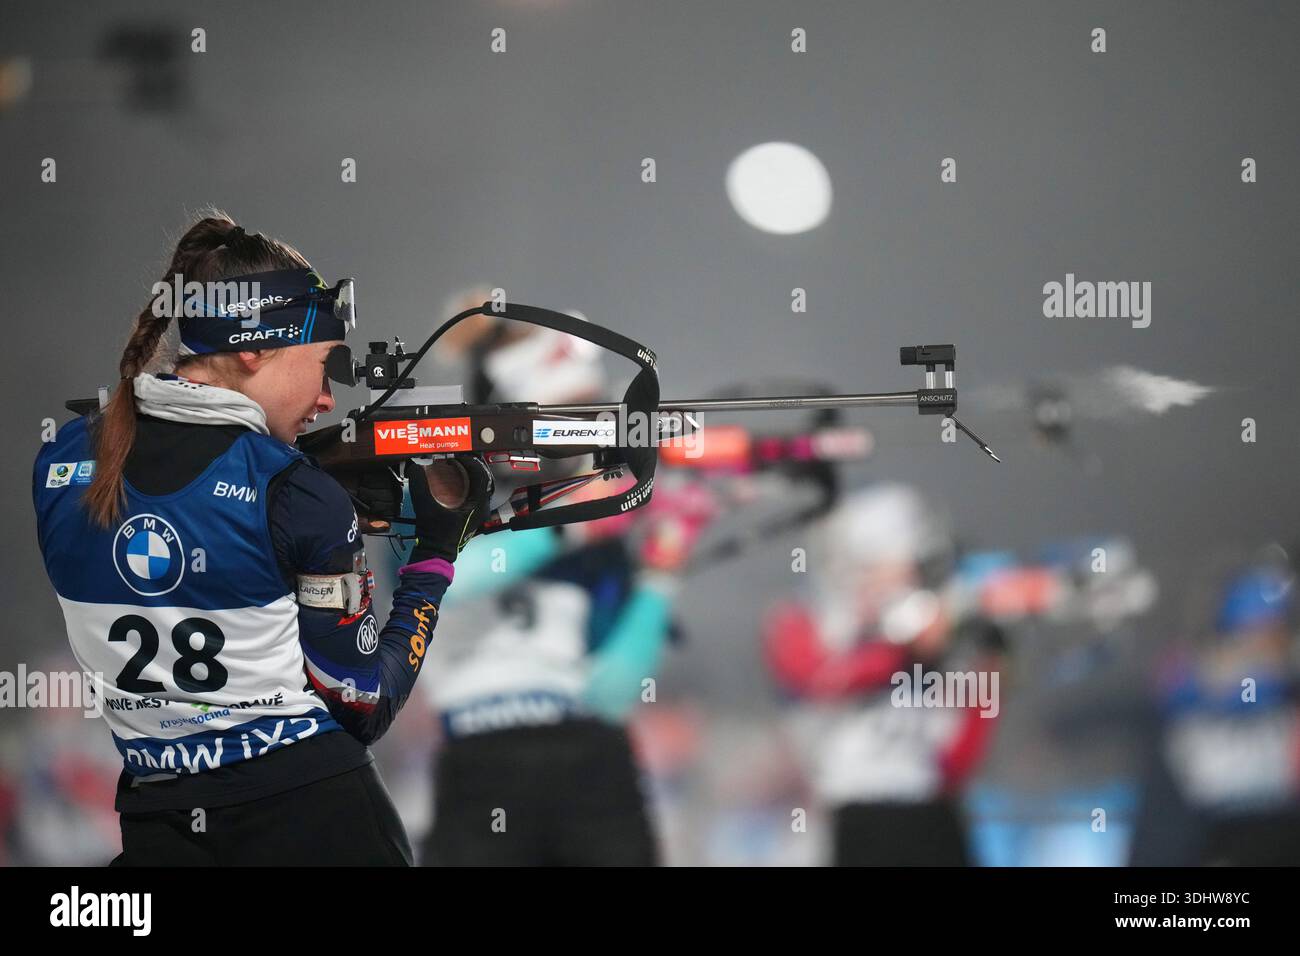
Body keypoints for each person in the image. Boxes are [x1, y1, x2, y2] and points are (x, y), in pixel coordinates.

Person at [32, 212, 491, 865]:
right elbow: (365, 703)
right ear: (253, 348)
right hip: (315, 822)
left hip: (160, 822)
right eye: (322, 364)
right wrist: (435, 558)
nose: (328, 398)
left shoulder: (58, 463)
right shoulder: (297, 493)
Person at [763, 482, 1001, 865]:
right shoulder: (807, 620)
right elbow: (821, 679)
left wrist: (989, 664)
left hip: (931, 814)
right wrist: (904, 649)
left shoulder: (935, 624)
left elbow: (958, 759)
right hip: (856, 818)